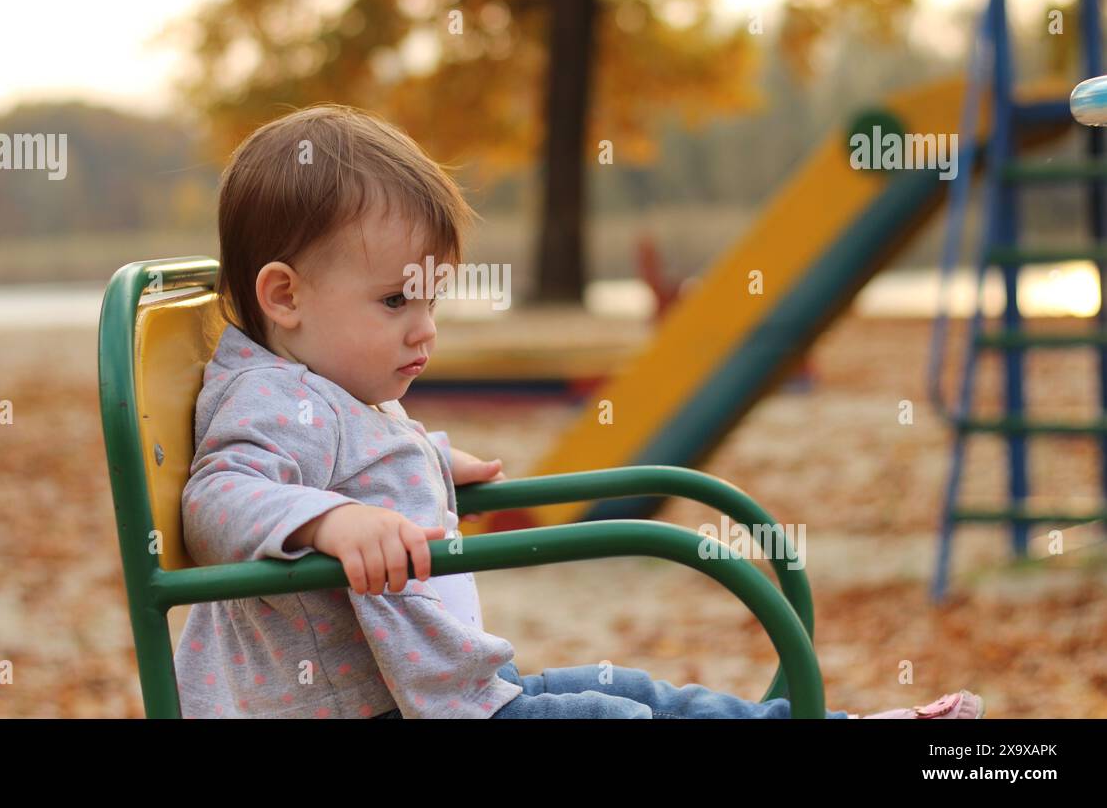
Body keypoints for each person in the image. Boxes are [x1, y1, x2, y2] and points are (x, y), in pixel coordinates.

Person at [172, 104, 984, 720]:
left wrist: (422, 457)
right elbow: (217, 497)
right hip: (382, 709)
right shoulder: (269, 398)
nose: (424, 329)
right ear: (285, 296)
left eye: (430, 300)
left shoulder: (321, 386)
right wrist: (329, 522)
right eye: (393, 301)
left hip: (439, 693)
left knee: (638, 692)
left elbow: (344, 450)